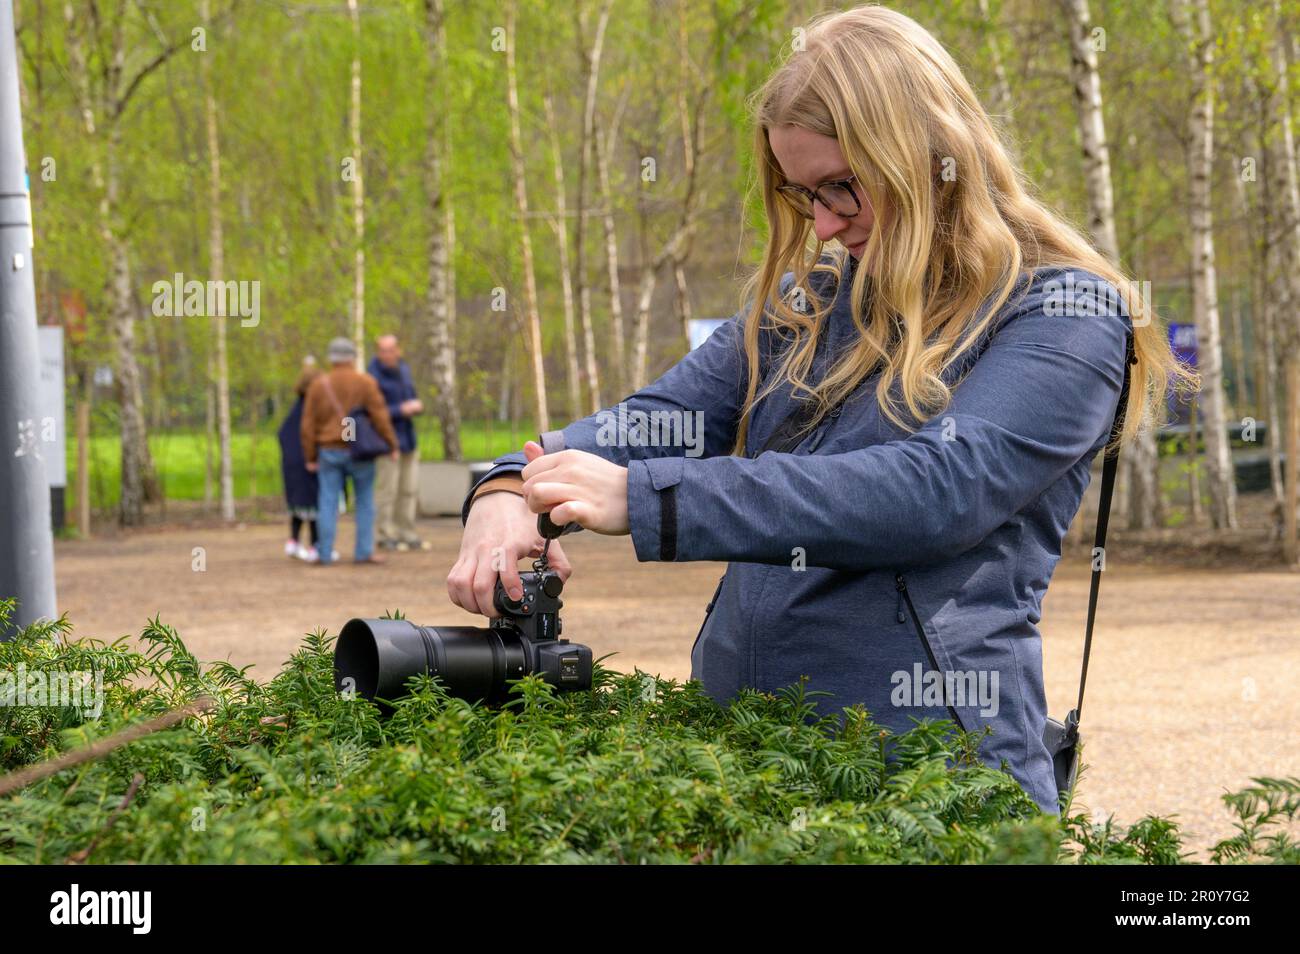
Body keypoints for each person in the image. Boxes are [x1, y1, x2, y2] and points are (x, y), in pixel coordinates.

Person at [447, 5, 1193, 816]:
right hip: (744, 766)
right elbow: (655, 419)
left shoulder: (1063, 311)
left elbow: (938, 490)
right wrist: (508, 486)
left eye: (844, 187)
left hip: (934, 783)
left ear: (929, 153)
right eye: (804, 196)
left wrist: (652, 499)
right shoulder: (810, 303)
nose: (827, 225)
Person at [301, 336, 399, 566]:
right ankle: (363, 552)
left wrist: (310, 456)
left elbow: (307, 424)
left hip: (329, 450)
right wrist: (391, 445)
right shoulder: (365, 382)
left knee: (327, 502)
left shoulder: (318, 385)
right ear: (352, 358)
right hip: (359, 452)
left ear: (331, 359)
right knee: (364, 501)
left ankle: (324, 553)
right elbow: (381, 417)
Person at [368, 334, 430, 552]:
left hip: (408, 439)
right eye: (383, 350)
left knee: (409, 489)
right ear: (378, 352)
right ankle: (385, 534)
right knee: (388, 490)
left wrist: (416, 406)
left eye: (391, 349)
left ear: (398, 350)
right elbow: (371, 412)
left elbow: (410, 397)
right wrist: (399, 410)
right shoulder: (372, 376)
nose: (387, 354)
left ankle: (407, 532)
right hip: (386, 441)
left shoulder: (403, 370)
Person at [277, 360, 329, 563]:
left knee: (298, 506)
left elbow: (282, 434)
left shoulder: (296, 408)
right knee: (314, 505)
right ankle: (315, 545)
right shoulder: (309, 408)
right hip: (307, 462)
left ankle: (293, 542)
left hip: (292, 463)